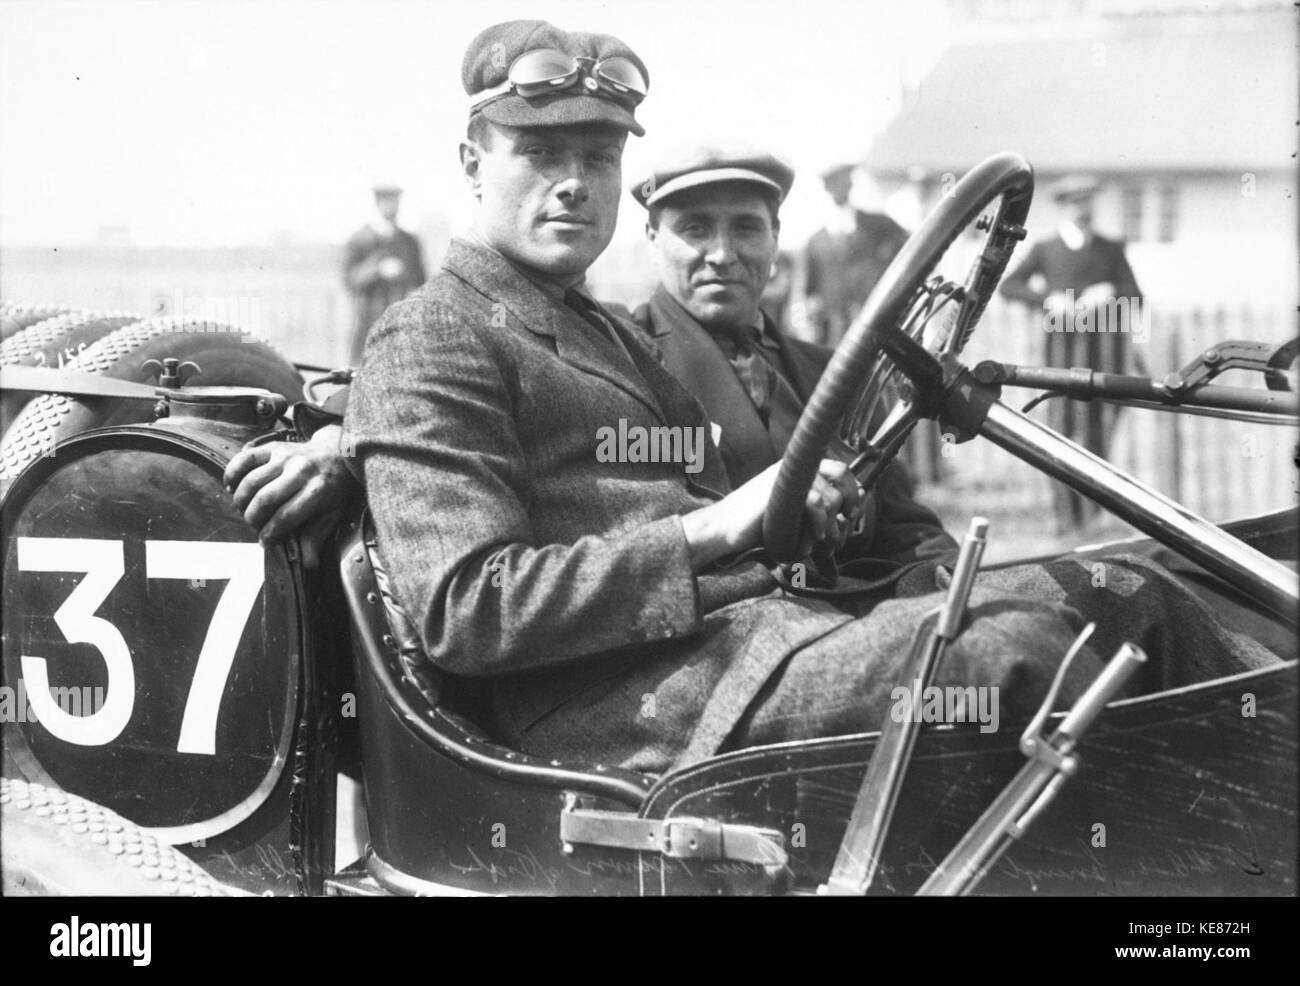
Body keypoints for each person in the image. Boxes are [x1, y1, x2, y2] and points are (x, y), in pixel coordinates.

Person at [326, 20, 1278, 776]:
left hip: (750, 640)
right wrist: (711, 532)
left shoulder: (598, 330)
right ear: (471, 165)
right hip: (617, 707)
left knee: (1124, 594)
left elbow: (691, 471)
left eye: (600, 157)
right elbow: (465, 609)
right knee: (1015, 658)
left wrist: (802, 497)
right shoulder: (435, 334)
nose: (575, 184)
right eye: (541, 154)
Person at [627, 144, 955, 578]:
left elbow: (905, 530)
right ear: (653, 238)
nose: (723, 255)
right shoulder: (622, 363)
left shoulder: (836, 373)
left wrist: (948, 583)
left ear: (775, 238)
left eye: (746, 228)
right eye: (696, 228)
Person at [999, 174, 1149, 532]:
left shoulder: (1110, 249)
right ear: (1064, 207)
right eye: (1076, 203)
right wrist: (1047, 299)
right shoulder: (1046, 248)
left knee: (1098, 434)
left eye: (1088, 202)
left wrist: (1110, 289)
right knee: (1061, 433)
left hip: (1101, 356)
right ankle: (1065, 516)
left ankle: (1092, 515)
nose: (1084, 209)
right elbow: (1010, 286)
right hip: (1060, 356)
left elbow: (1136, 294)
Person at [792, 163, 909, 346]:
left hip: (872, 320)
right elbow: (808, 290)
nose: (840, 189)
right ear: (826, 188)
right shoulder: (816, 241)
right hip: (832, 330)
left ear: (851, 185)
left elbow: (906, 245)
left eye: (845, 182)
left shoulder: (877, 225)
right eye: (834, 185)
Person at [343, 184, 427, 365]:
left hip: (401, 322)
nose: (391, 207)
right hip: (368, 320)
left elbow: (421, 281)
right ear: (378, 203)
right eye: (386, 201)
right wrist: (377, 269)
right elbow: (350, 279)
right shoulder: (360, 239)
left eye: (395, 201)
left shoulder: (409, 241)